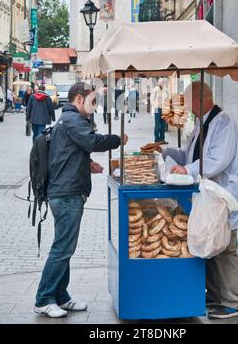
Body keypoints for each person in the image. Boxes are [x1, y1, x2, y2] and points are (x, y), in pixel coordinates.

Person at [157, 81, 238, 319]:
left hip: (224, 195)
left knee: (225, 248)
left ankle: (232, 302)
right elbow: (190, 155)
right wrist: (167, 152)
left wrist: (187, 170)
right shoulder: (201, 123)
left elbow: (216, 160)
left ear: (200, 99)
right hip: (208, 197)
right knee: (209, 245)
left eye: (189, 103)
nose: (187, 108)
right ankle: (214, 295)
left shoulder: (224, 122)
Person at [34, 82, 128, 318]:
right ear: (78, 99)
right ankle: (44, 298)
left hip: (67, 190)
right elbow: (93, 142)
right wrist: (117, 139)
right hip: (66, 194)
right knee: (62, 248)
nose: (94, 107)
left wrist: (86, 165)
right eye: (92, 101)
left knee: (66, 247)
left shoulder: (67, 121)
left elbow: (65, 153)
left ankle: (60, 296)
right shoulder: (74, 120)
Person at [150, 78, 169, 143]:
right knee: (157, 124)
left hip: (164, 109)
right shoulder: (155, 89)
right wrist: (155, 106)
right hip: (157, 109)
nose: (161, 83)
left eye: (162, 82)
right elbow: (152, 99)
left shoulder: (166, 90)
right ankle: (156, 139)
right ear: (158, 83)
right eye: (160, 82)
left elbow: (168, 98)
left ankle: (162, 139)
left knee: (163, 125)